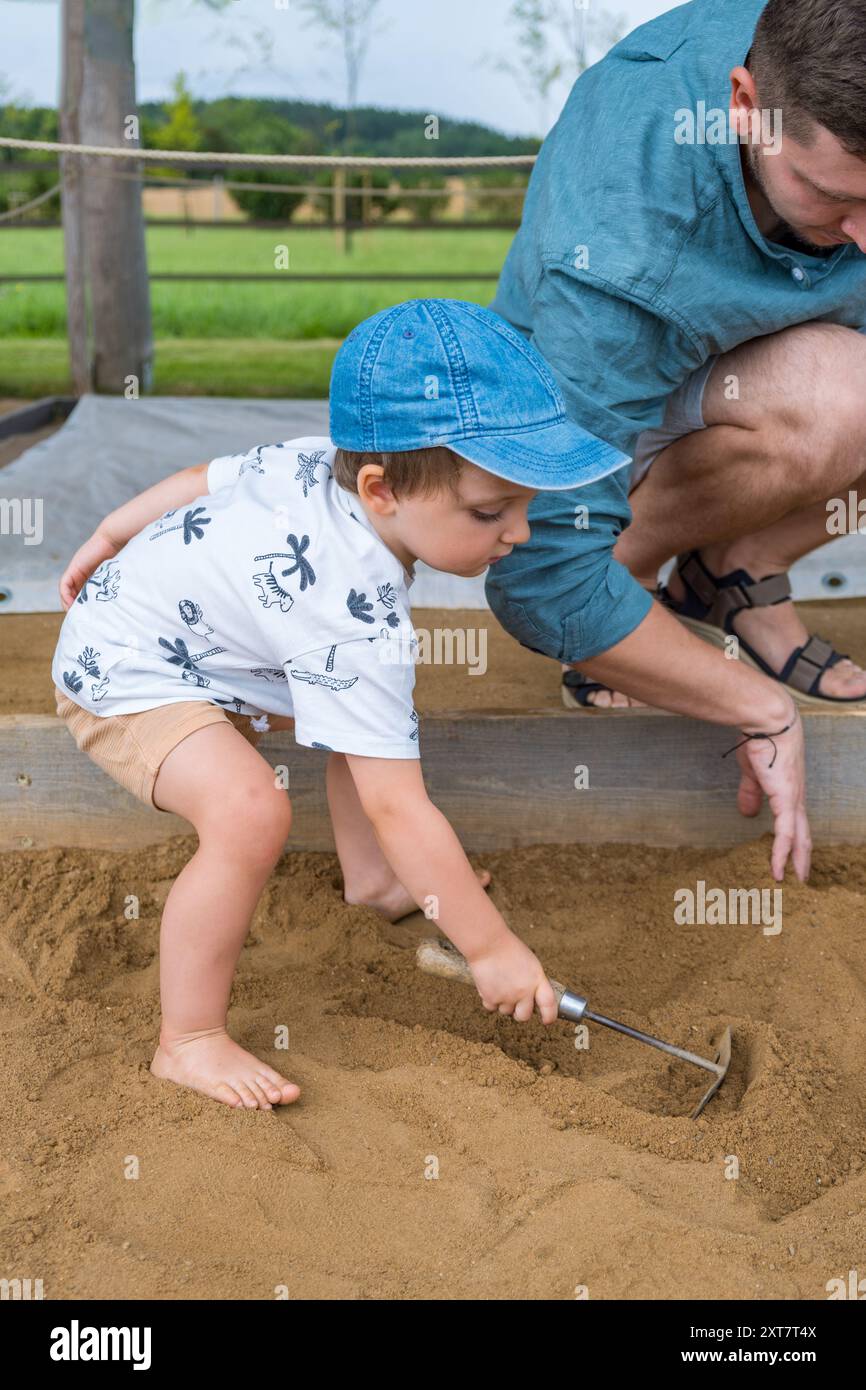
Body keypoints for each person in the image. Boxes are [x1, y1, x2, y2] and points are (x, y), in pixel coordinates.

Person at [51, 297, 624, 1111]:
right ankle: (189, 1039)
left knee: (371, 720)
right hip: (126, 671)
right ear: (380, 488)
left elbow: (195, 480)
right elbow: (401, 806)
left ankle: (375, 884)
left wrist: (109, 534)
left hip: (188, 635)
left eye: (526, 506)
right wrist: (491, 950)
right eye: (492, 511)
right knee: (251, 814)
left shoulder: (314, 459)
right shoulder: (355, 617)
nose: (520, 534)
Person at [486, 0, 866, 883]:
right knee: (841, 401)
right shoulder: (623, 244)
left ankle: (738, 570)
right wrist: (758, 708)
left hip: (774, 361)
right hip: (623, 404)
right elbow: (535, 569)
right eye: (839, 197)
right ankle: (631, 577)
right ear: (746, 103)